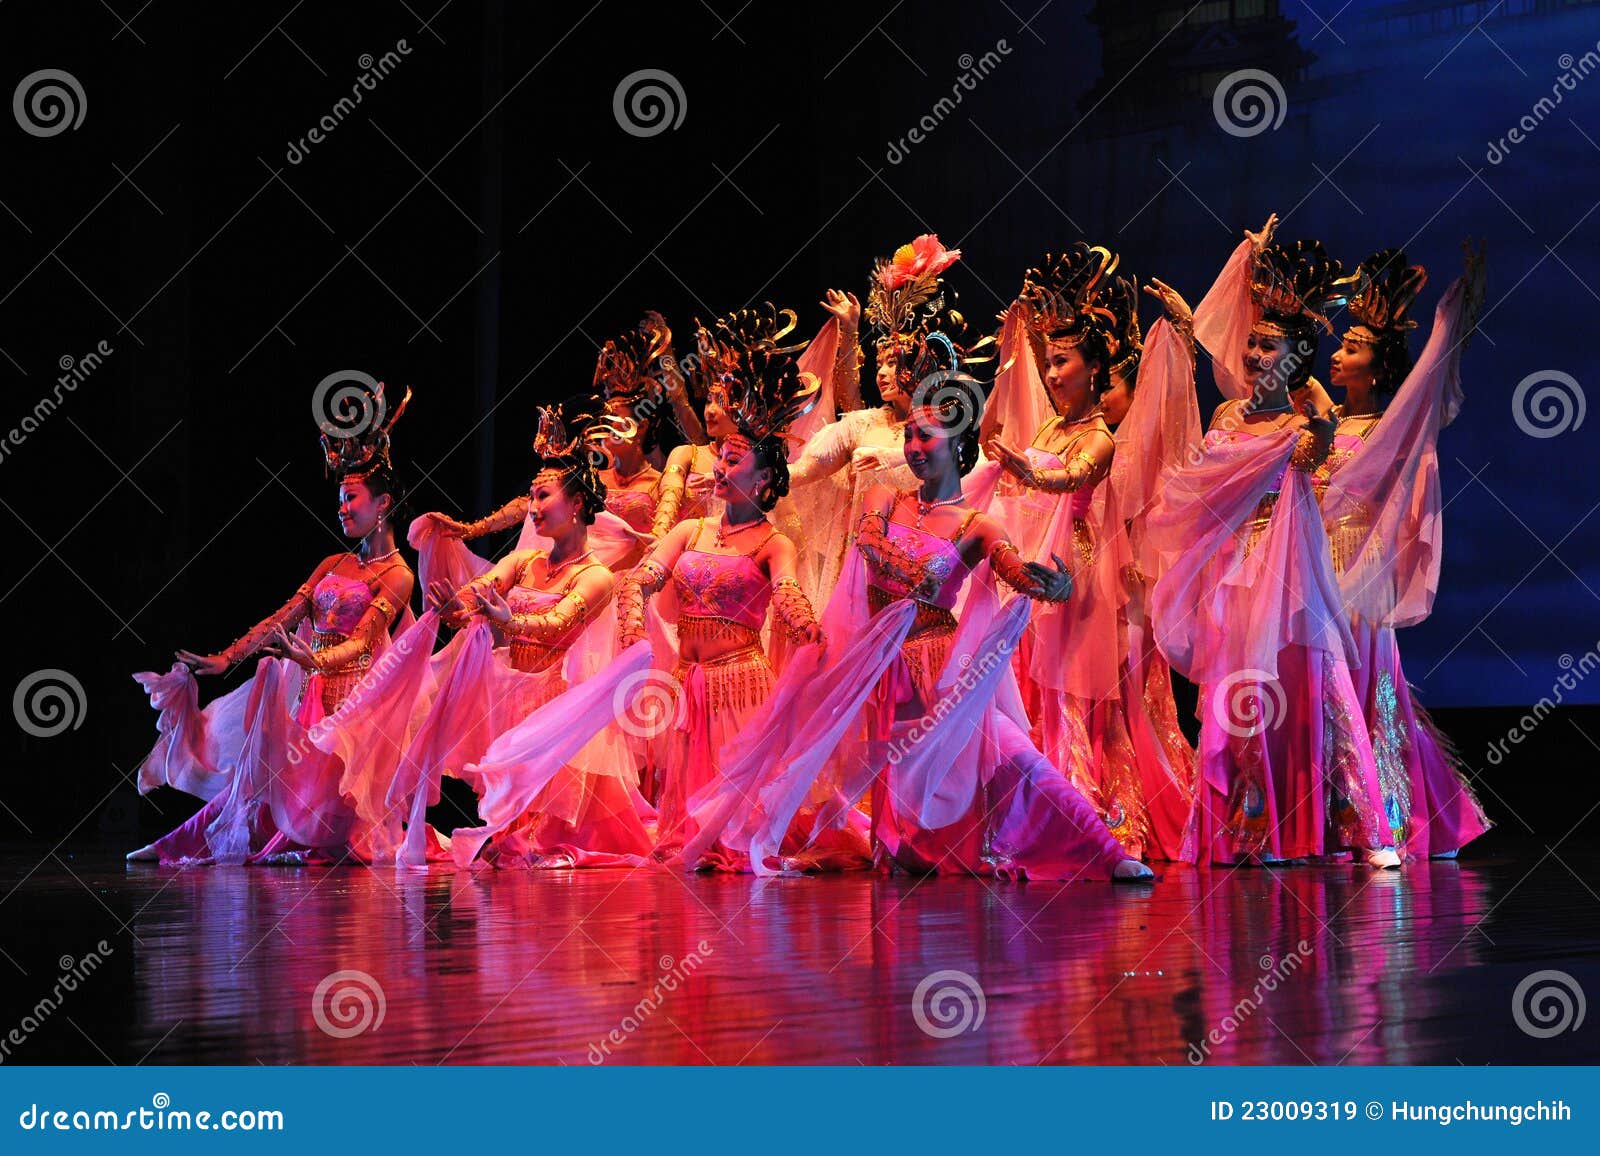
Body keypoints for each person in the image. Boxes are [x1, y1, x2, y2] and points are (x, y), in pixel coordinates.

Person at [1152, 235, 1400, 868]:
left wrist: (1311, 396)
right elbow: (1203, 493)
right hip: (1237, 575)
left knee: (1315, 688)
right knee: (1241, 695)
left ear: (1298, 360)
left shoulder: (1306, 422)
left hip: (1291, 574)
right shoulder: (1228, 417)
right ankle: (1249, 821)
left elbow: (1317, 449)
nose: (1256, 353)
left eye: (1271, 346)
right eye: (1254, 342)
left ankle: (1352, 824)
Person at [130, 385, 418, 864]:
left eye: (351, 498)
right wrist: (227, 658)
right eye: (339, 499)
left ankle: (306, 841)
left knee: (317, 809)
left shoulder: (398, 574)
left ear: (383, 503)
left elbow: (367, 640)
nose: (341, 508)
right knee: (265, 778)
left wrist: (316, 658)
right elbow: (284, 617)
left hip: (351, 704)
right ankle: (188, 838)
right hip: (307, 689)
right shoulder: (333, 562)